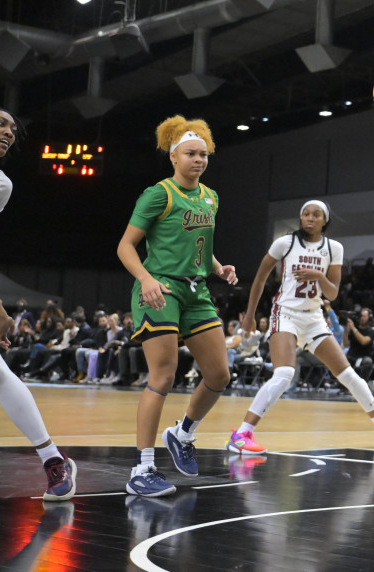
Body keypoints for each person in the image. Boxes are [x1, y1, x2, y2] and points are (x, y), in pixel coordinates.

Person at [116, 116, 238, 496]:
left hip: (197, 292)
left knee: (219, 375)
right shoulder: (159, 194)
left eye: (203, 154)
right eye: (191, 153)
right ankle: (142, 469)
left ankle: (182, 433)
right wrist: (146, 279)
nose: (198, 160)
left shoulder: (210, 197)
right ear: (173, 156)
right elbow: (125, 247)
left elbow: (197, 243)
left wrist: (218, 267)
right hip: (160, 290)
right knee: (163, 376)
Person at [226, 200, 374, 455]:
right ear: (301, 219)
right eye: (306, 214)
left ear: (325, 220)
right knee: (284, 374)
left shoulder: (333, 248)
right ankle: (242, 434)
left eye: (316, 215)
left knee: (348, 375)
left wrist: (319, 276)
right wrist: (250, 315)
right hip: (285, 313)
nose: (310, 218)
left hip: (313, 318)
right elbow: (260, 278)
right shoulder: (285, 243)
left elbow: (332, 294)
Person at [0, 105, 76, 501]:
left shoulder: (0, 185)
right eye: (1, 123)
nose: (9, 132)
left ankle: (53, 461)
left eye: (13, 129)